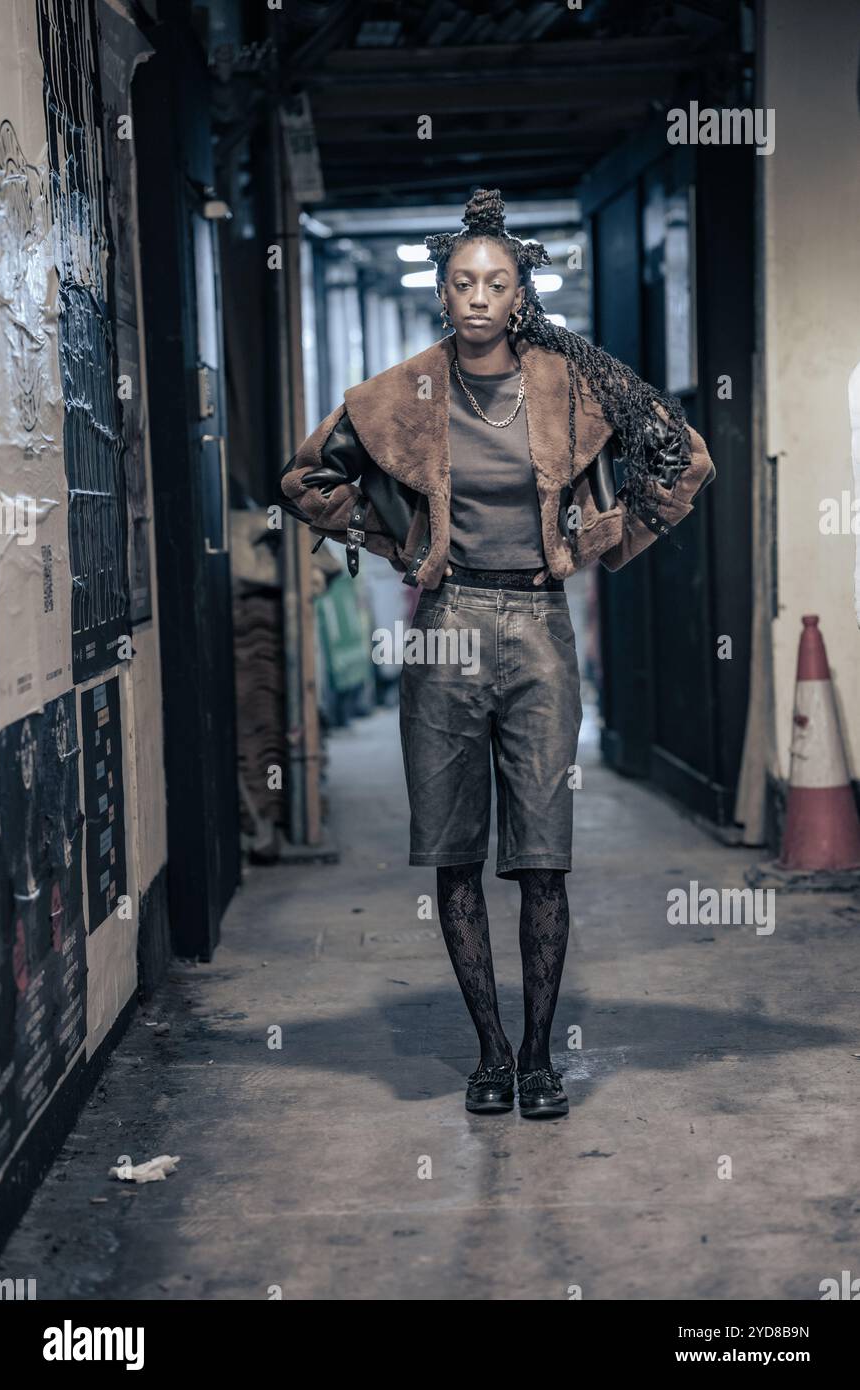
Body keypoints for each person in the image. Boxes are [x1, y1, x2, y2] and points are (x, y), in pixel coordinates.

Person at [280, 188, 715, 1118]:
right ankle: (486, 1052)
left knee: (543, 859)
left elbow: (684, 458)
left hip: (538, 623)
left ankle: (538, 1055)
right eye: (462, 282)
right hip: (442, 624)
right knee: (453, 854)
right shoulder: (397, 393)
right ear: (442, 294)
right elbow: (305, 477)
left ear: (520, 296)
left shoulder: (574, 382)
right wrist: (396, 542)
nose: (478, 297)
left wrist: (603, 537)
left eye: (497, 282)